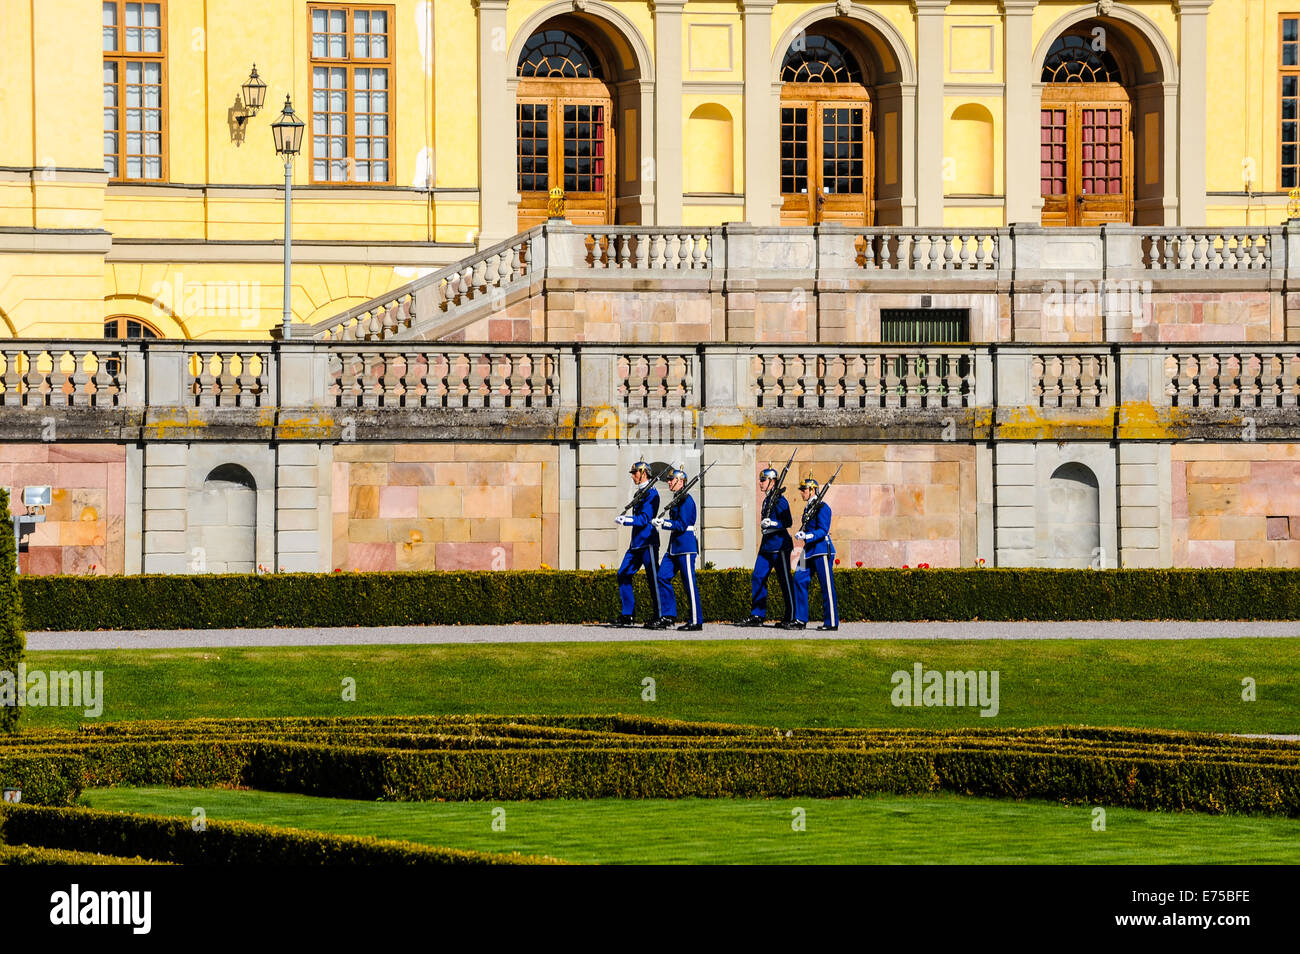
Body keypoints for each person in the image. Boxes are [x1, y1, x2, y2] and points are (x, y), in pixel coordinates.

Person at [739, 465, 794, 627]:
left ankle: (791, 615)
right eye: (760, 479)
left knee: (785, 580)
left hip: (780, 545)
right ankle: (757, 615)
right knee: (758, 576)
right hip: (767, 546)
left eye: (763, 480)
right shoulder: (768, 499)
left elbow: (788, 522)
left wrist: (773, 522)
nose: (760, 483)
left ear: (772, 481)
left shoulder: (780, 500)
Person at [649, 468, 703, 631]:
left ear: (681, 481)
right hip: (674, 547)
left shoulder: (686, 500)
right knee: (662, 577)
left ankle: (696, 620)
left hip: (685, 547)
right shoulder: (678, 498)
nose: (669, 482)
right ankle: (668, 615)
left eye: (672, 480)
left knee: (689, 584)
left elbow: (682, 524)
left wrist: (664, 523)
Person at [613, 461, 662, 626]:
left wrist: (626, 520)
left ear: (644, 473)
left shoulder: (652, 494)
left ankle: (660, 615)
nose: (633, 476)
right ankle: (628, 614)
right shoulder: (639, 494)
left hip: (647, 542)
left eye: (635, 473)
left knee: (653, 579)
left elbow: (645, 519)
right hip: (636, 543)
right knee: (623, 574)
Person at [789, 476, 839, 631]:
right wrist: (801, 533)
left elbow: (823, 530)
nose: (802, 493)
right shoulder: (808, 508)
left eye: (804, 490)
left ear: (812, 490)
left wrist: (807, 536)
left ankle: (831, 622)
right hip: (808, 551)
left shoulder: (823, 507)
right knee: (798, 579)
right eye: (802, 490)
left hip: (821, 550)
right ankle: (800, 619)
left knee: (826, 585)